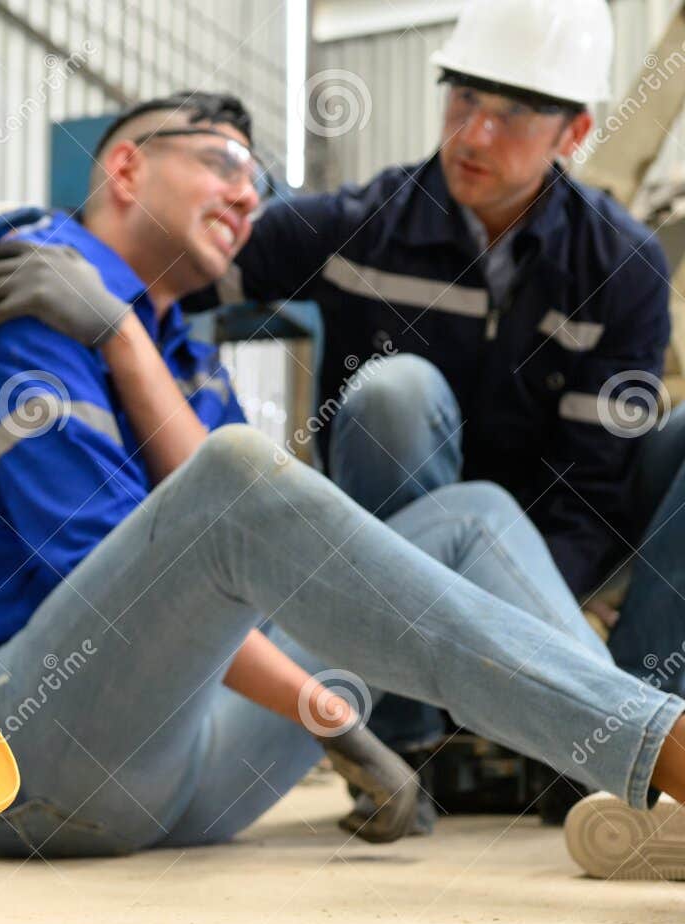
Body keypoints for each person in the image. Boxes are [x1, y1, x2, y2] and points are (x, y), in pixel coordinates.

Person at [0, 91, 685, 860]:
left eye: (257, 181)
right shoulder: (31, 290)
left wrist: (128, 338)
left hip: (177, 765)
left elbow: (231, 570)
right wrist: (330, 713)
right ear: (126, 168)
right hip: (15, 757)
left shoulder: (182, 357)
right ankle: (668, 753)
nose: (246, 196)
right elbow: (106, 561)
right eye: (223, 163)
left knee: (470, 517)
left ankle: (624, 792)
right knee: (240, 473)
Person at [188, 0, 685, 722]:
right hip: (402, 548)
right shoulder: (364, 228)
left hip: (555, 550)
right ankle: (406, 723)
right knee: (396, 393)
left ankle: (640, 717)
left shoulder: (621, 267)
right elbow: (180, 265)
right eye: (465, 98)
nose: (475, 133)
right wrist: (61, 254)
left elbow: (591, 491)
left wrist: (519, 628)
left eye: (515, 114)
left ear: (574, 132)